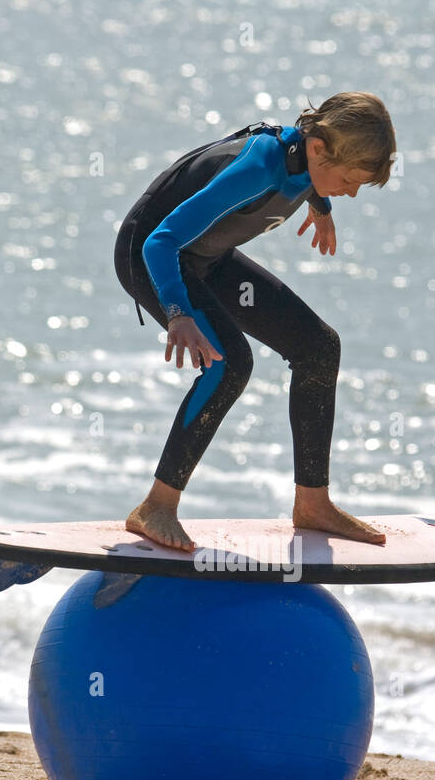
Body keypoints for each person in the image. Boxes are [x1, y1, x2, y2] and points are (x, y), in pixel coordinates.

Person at [114, 91, 395, 551]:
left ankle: (313, 504)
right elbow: (160, 241)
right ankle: (156, 507)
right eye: (348, 180)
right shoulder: (257, 170)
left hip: (207, 256)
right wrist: (178, 313)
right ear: (320, 148)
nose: (351, 191)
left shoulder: (308, 156)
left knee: (318, 347)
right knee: (230, 364)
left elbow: (308, 177)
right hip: (153, 257)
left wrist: (321, 205)